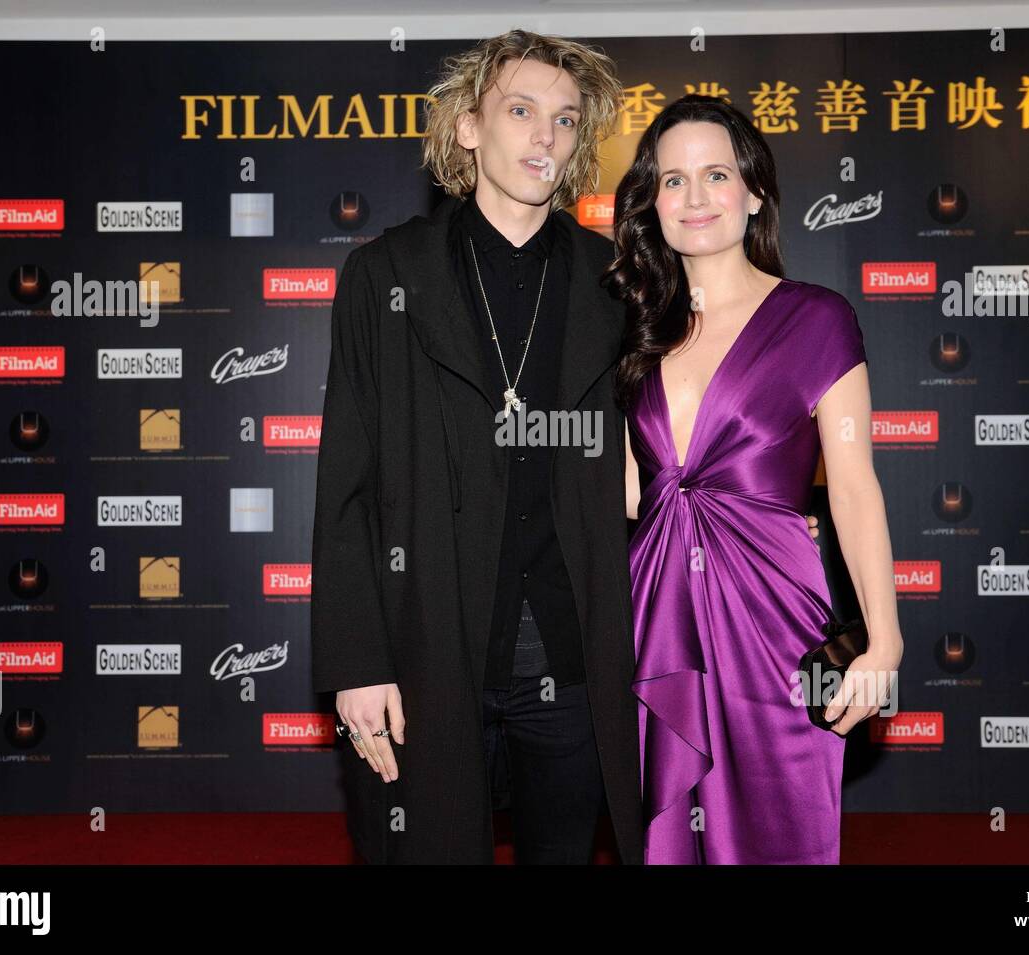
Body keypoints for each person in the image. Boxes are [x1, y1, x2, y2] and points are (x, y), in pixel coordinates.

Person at [312, 31, 821, 864]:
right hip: (427, 652)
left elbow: (679, 448)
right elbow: (347, 484)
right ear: (470, 127)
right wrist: (356, 664)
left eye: (565, 119)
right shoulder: (386, 275)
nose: (544, 135)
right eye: (520, 110)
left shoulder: (615, 282)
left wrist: (763, 523)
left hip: (577, 659)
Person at [606, 94, 904, 864]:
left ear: (756, 191)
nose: (694, 198)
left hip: (774, 620)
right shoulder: (635, 330)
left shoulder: (816, 319)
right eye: (672, 181)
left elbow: (853, 486)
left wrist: (884, 640)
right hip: (654, 619)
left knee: (784, 828)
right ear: (651, 202)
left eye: (715, 174)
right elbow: (629, 495)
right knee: (664, 831)